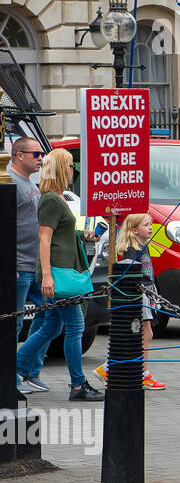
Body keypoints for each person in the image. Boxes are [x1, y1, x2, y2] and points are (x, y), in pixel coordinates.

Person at [17, 148, 101, 401]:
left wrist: (85, 235)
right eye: (70, 166)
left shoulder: (57, 197)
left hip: (63, 271)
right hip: (59, 274)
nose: (73, 170)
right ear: (62, 169)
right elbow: (45, 238)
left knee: (51, 327)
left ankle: (14, 369)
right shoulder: (51, 200)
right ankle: (77, 385)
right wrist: (47, 276)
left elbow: (61, 234)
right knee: (75, 326)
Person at [93, 215, 166, 390]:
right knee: (144, 335)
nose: (150, 228)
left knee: (141, 335)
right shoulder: (132, 249)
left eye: (150, 224)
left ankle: (109, 368)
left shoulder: (142, 246)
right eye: (146, 225)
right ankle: (142, 374)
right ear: (134, 230)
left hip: (146, 291)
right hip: (140, 294)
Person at [10, 137, 46, 394]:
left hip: (34, 266)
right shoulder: (10, 182)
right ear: (19, 155)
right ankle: (10, 378)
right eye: (36, 154)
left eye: (41, 154)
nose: (40, 159)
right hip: (20, 264)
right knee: (15, 322)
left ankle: (28, 369)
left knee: (51, 312)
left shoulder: (30, 183)